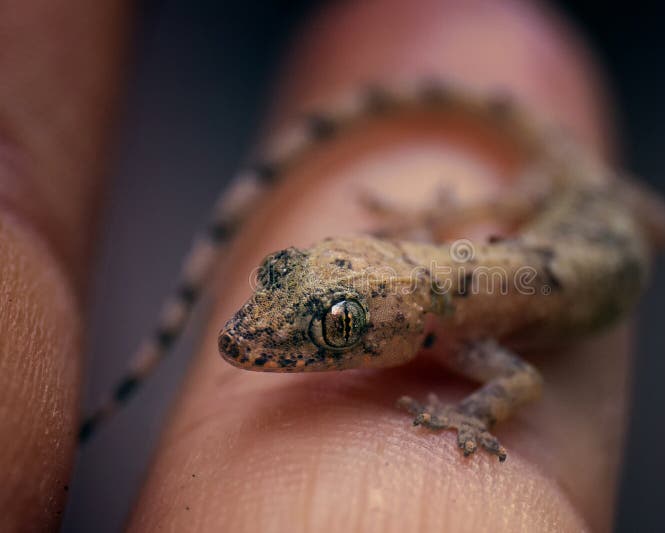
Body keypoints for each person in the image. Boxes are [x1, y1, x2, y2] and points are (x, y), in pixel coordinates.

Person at [0, 0, 632, 530]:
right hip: (569, 212)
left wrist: (469, 415)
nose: (255, 334)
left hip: (605, 238)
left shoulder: (467, 337)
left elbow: (523, 382)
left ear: (407, 328)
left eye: (336, 327)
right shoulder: (443, 283)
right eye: (279, 271)